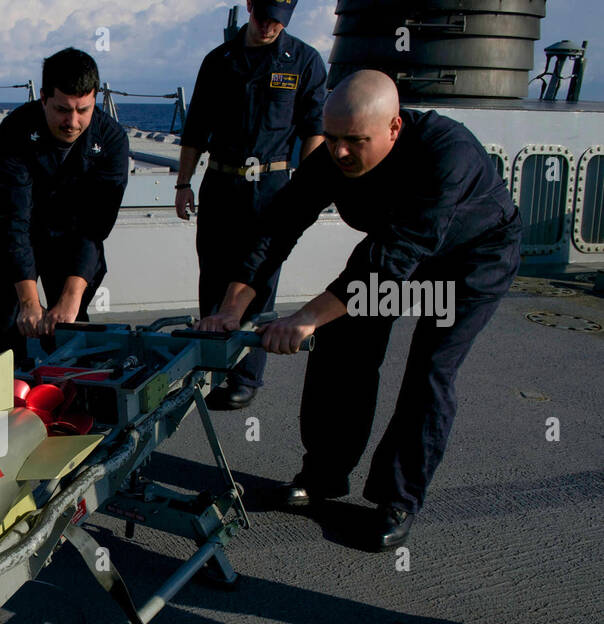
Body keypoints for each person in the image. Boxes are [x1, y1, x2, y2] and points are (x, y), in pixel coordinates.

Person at [200, 70, 522, 550]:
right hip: (393, 254)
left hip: (470, 261)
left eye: (355, 141)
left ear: (394, 128)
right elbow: (278, 225)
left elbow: (392, 259)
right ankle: (324, 475)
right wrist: (233, 307)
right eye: (331, 139)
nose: (340, 152)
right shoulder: (333, 155)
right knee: (344, 345)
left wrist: (304, 318)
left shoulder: (445, 152)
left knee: (430, 371)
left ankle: (398, 498)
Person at [178, 0, 326, 411]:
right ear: (249, 7)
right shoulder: (220, 60)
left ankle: (245, 377)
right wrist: (183, 183)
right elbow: (196, 128)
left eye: (278, 21)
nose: (269, 27)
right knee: (214, 275)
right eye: (263, 18)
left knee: (259, 278)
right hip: (222, 183)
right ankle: (211, 366)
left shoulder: (305, 61)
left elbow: (313, 129)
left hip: (272, 187)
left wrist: (308, 188)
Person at [0, 47, 129, 368]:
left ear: (95, 100)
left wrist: (70, 297)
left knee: (69, 336)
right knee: (7, 335)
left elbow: (95, 228)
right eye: (62, 109)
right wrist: (29, 303)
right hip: (12, 242)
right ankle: (7, 405)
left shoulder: (112, 140)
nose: (72, 122)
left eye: (83, 110)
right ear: (44, 97)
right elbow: (12, 221)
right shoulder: (15, 130)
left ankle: (76, 405)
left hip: (73, 242)